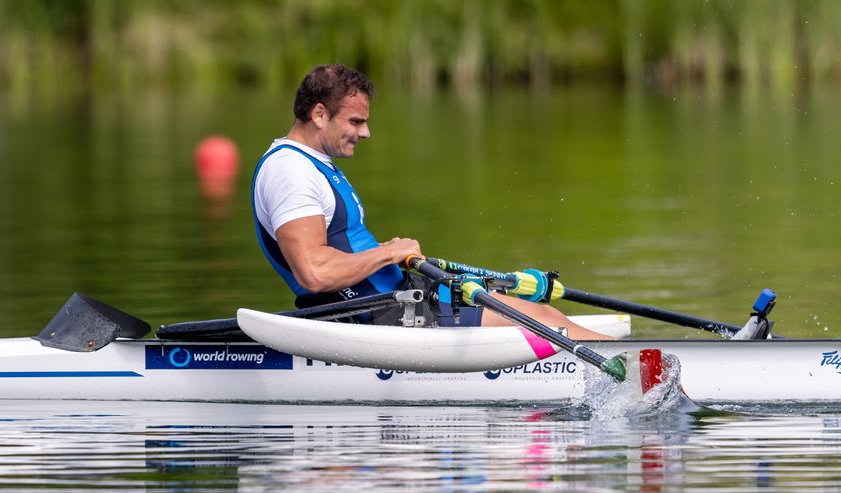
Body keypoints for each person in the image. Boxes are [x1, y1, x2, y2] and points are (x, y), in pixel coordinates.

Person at [251, 64, 609, 339]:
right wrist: (389, 252)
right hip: (378, 316)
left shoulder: (310, 164)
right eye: (356, 121)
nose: (365, 132)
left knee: (539, 308)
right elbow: (314, 272)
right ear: (318, 115)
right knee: (543, 321)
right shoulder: (290, 172)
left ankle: (635, 361)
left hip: (400, 299)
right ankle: (642, 368)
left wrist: (390, 253)